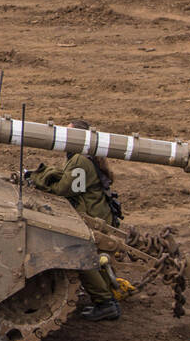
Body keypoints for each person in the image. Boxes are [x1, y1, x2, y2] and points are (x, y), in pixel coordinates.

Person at [27, 119, 126, 321]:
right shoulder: (83, 157)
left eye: (68, 133)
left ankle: (105, 302)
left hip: (92, 216)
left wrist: (38, 179)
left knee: (77, 256)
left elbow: (65, 189)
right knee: (89, 257)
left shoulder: (80, 160)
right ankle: (106, 294)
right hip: (95, 212)